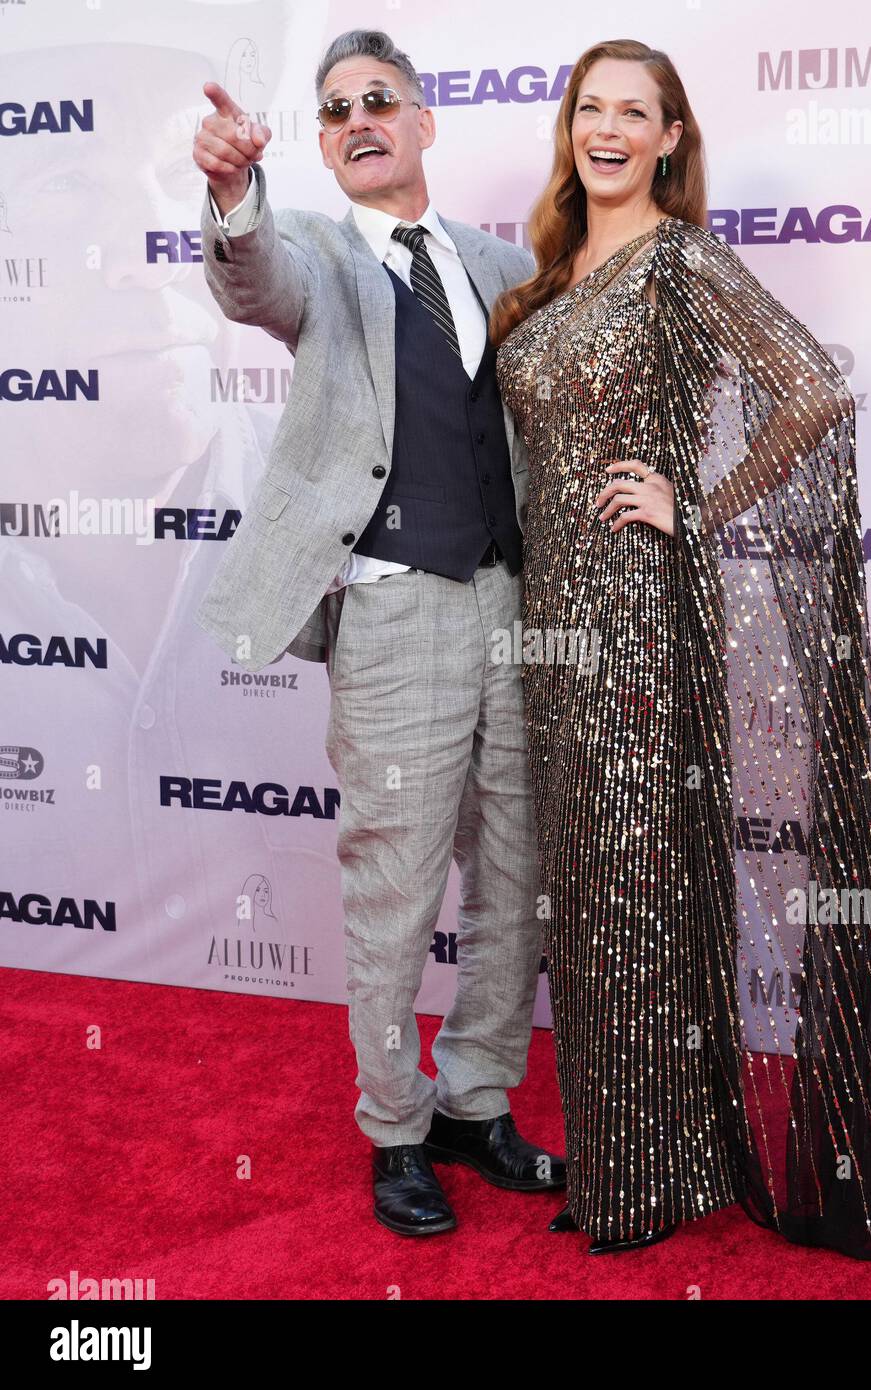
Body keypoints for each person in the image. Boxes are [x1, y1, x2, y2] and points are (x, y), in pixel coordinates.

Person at [493, 39, 871, 1259]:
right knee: (587, 897)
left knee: (638, 884)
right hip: (554, 633)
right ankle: (643, 1148)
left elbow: (811, 393)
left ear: (669, 138)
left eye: (634, 113)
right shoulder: (549, 274)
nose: (608, 131)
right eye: (590, 107)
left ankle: (642, 1177)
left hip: (640, 619)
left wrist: (696, 502)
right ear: (569, 125)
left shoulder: (678, 263)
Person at [191, 27, 565, 1237]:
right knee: (393, 888)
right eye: (336, 109)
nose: (359, 120)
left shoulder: (504, 263)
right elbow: (252, 281)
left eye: (380, 100)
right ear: (322, 143)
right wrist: (233, 194)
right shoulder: (310, 251)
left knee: (514, 876)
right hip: (394, 607)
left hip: (515, 606)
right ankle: (396, 1128)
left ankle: (474, 1100)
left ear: (423, 121)